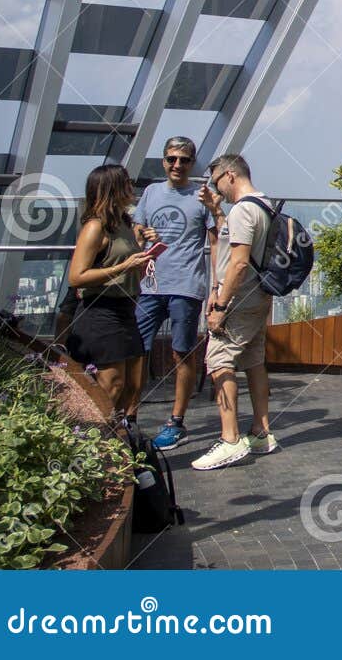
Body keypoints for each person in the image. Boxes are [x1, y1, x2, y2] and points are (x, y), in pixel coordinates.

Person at [192, 153, 280, 470]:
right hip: (259, 297)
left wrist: (219, 305)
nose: (217, 189)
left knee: (219, 361)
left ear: (230, 175)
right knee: (254, 361)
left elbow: (239, 264)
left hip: (239, 300)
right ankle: (261, 432)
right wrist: (216, 212)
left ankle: (229, 439)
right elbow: (233, 249)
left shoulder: (243, 210)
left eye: (217, 181)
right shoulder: (265, 204)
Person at [133, 136, 214, 450]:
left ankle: (176, 422)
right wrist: (144, 234)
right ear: (163, 161)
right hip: (150, 285)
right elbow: (138, 228)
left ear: (192, 163)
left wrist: (216, 287)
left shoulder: (202, 196)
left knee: (182, 353)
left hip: (186, 286)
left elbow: (216, 239)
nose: (177, 165)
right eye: (172, 159)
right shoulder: (151, 192)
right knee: (136, 350)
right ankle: (129, 417)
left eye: (184, 159)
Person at [66, 164, 153, 422]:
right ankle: (96, 437)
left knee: (132, 386)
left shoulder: (124, 224)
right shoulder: (95, 227)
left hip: (126, 309)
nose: (131, 187)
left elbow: (126, 271)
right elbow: (76, 277)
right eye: (126, 182)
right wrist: (123, 266)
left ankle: (117, 436)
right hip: (101, 312)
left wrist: (143, 257)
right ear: (113, 188)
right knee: (111, 385)